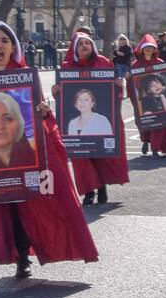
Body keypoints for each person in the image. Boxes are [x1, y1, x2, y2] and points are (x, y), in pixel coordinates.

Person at [0, 21, 98, 289]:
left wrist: (45, 112)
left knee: (21, 208)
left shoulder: (25, 76)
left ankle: (23, 258)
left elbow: (41, 117)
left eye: (4, 41)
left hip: (20, 157)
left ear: (12, 47)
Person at [53, 31, 127, 205]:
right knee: (81, 159)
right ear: (75, 48)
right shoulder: (66, 67)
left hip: (99, 118)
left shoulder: (104, 63)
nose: (84, 46)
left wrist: (118, 86)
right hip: (76, 124)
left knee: (101, 155)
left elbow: (113, 93)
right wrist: (56, 91)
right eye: (80, 44)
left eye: (87, 43)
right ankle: (88, 191)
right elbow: (63, 99)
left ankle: (102, 188)